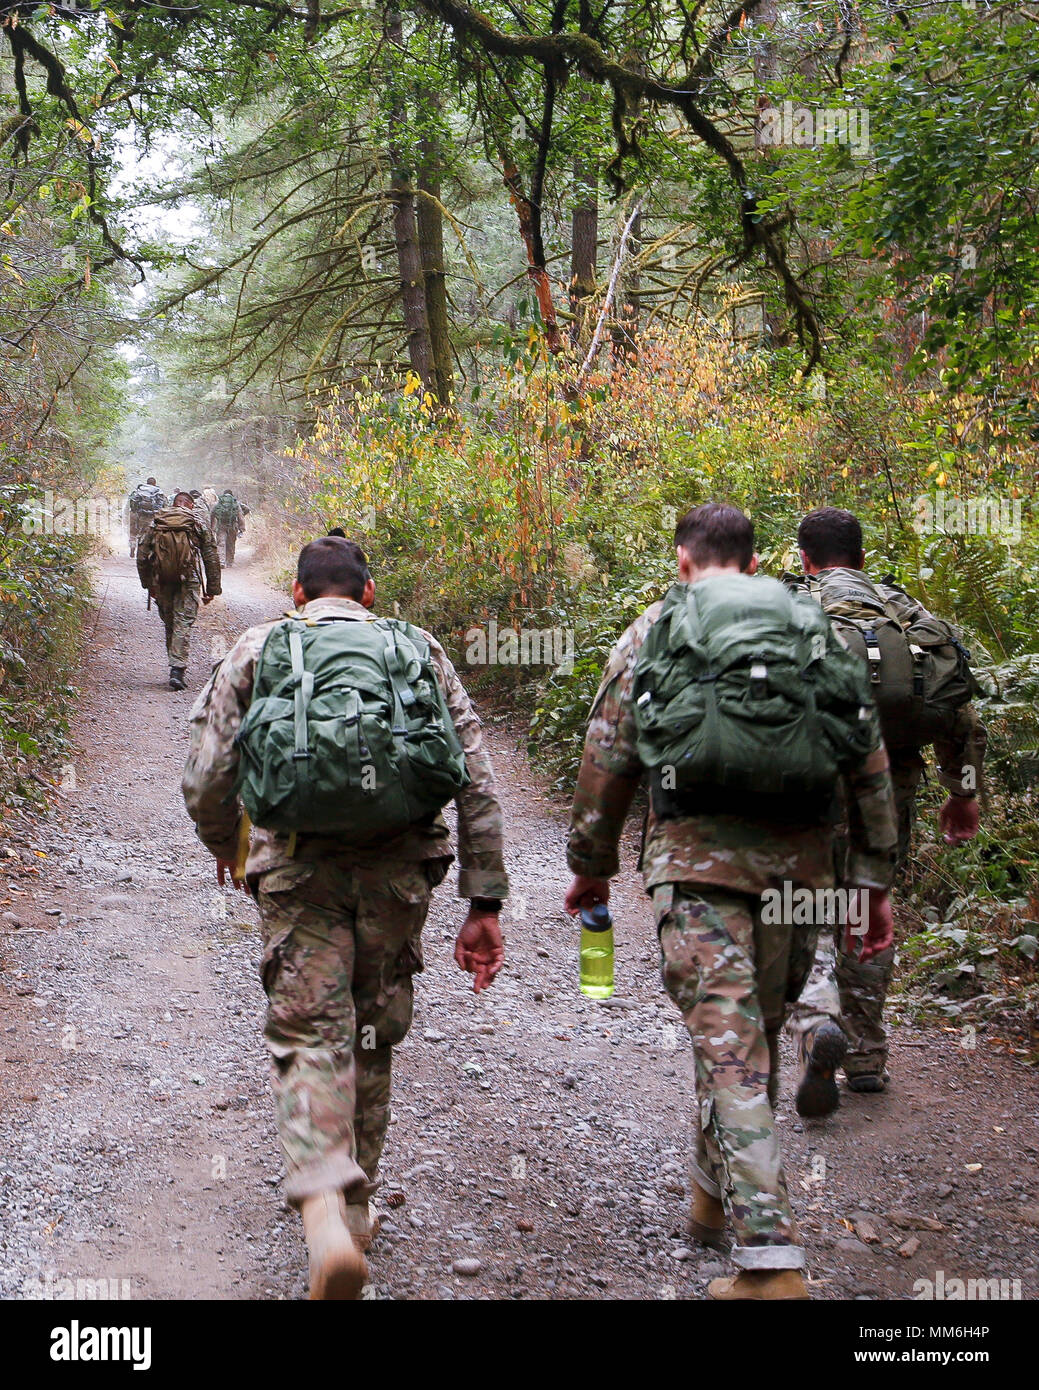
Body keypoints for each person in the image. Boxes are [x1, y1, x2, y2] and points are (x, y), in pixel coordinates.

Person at [564, 503, 898, 1300]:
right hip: (802, 874)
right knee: (756, 1039)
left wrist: (591, 865)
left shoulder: (656, 626)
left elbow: (607, 753)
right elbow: (865, 750)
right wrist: (874, 880)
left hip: (697, 868)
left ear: (683, 563)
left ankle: (771, 1262)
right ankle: (709, 1196)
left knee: (730, 1051)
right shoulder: (811, 623)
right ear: (753, 564)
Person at [181, 535, 508, 1299]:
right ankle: (357, 1212)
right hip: (400, 871)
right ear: (368, 594)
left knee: (307, 1033)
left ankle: (324, 1201)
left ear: (297, 594)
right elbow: (478, 778)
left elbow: (206, 774)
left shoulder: (259, 646)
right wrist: (483, 900)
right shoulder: (415, 648)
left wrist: (228, 847)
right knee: (371, 1029)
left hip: (297, 869)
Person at [785, 507, 986, 1109]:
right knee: (868, 906)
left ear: (804, 559)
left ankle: (812, 1029)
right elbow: (960, 712)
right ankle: (866, 1054)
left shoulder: (785, 607)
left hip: (804, 792)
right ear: (863, 558)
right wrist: (963, 793)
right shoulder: (903, 613)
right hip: (888, 791)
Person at [136, 491, 221, 691]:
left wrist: (148, 584)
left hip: (162, 580)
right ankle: (177, 669)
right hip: (188, 579)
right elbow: (211, 557)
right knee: (183, 621)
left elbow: (141, 556)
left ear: (173, 504)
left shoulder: (157, 522)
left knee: (170, 621)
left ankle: (174, 665)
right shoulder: (196, 523)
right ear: (191, 505)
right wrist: (212, 589)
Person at [124, 477, 167, 558]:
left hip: (135, 514)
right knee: (145, 534)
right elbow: (164, 506)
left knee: (133, 533)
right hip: (150, 516)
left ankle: (132, 547)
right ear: (155, 483)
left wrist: (127, 515)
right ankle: (142, 552)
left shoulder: (138, 490)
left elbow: (129, 504)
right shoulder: (158, 492)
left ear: (147, 483)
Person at [211, 489, 249, 567]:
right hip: (232, 526)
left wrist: (212, 527)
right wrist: (241, 528)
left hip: (221, 526)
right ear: (232, 495)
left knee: (221, 543)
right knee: (231, 544)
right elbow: (240, 516)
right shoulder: (235, 503)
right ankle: (229, 562)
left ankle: (221, 561)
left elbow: (212, 514)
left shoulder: (218, 503)